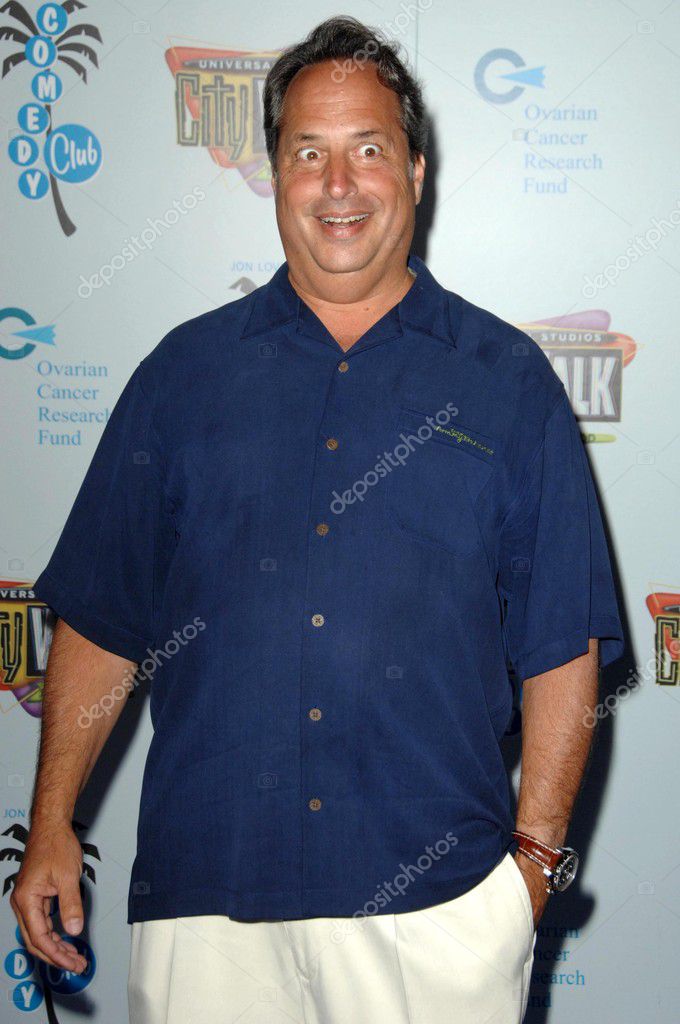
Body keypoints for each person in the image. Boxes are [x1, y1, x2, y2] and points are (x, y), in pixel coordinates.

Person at [13, 15, 624, 1024]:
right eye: (308, 153)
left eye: (368, 149)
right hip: (205, 906)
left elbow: (562, 644)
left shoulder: (509, 385)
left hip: (437, 915)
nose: (338, 185)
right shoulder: (181, 376)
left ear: (416, 171)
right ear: (274, 176)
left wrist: (527, 870)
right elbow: (104, 619)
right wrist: (50, 826)